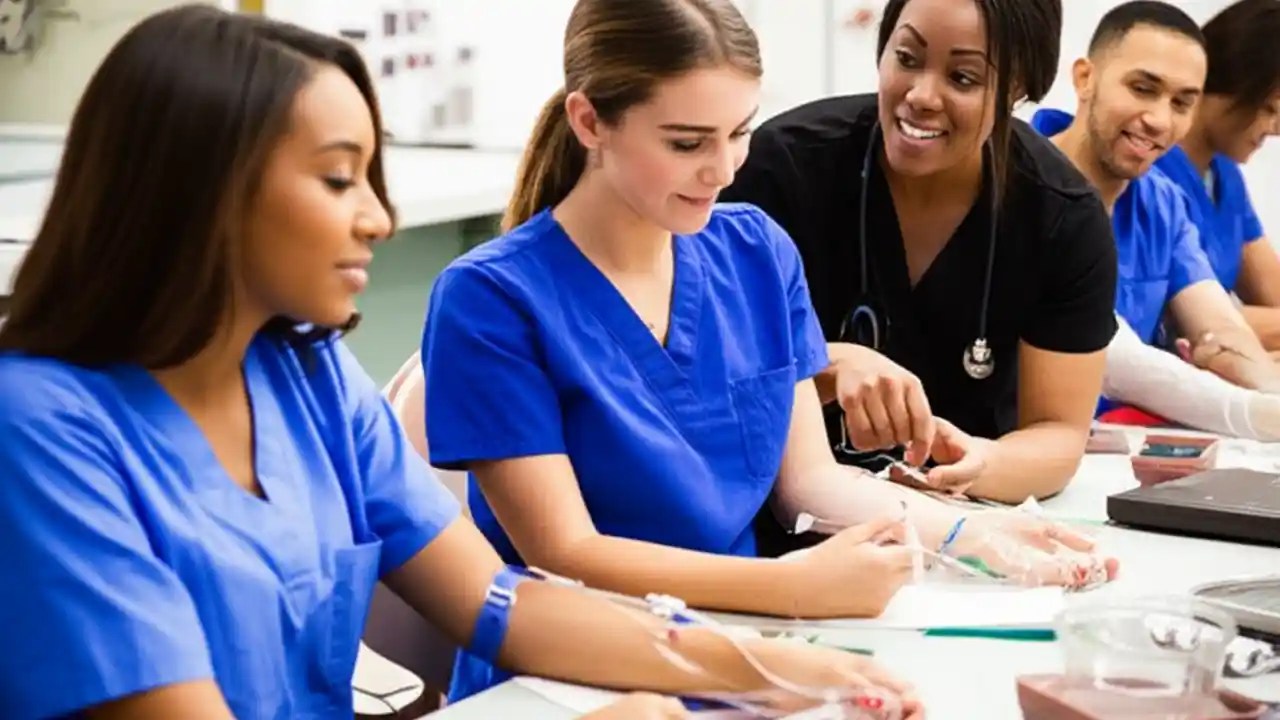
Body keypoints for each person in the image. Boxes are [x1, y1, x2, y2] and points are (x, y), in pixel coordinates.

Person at [0, 7, 922, 719]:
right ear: (198, 191)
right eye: (336, 178)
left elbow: (502, 606)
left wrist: (782, 672)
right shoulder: (40, 431)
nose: (378, 217)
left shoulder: (309, 382)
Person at [422, 0, 1118, 703]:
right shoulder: (491, 301)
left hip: (755, 641)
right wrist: (790, 588)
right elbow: (565, 553)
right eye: (687, 143)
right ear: (590, 121)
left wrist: (969, 534)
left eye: (740, 133)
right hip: (574, 676)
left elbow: (808, 484)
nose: (723, 169)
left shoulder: (754, 250)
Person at [717, 0, 1118, 504]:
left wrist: (980, 463)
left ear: (1019, 89)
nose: (922, 96)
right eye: (907, 58)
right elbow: (710, 374)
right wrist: (823, 365)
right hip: (777, 511)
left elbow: (1059, 431)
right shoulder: (780, 170)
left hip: (963, 515)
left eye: (964, 78)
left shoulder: (1062, 218)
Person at [1031, 1, 1280, 407]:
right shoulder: (1018, 180)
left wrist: (1266, 387)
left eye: (1182, 103)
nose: (1160, 120)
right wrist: (1257, 408)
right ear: (1084, 79)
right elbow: (1119, 361)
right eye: (1142, 89)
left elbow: (1219, 328)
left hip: (1119, 447)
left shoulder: (1163, 204)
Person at [1153, 0, 1280, 350]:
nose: (1275, 129)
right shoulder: (1150, 171)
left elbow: (1273, 294)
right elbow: (1185, 320)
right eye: (1268, 109)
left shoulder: (1224, 176)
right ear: (1227, 83)